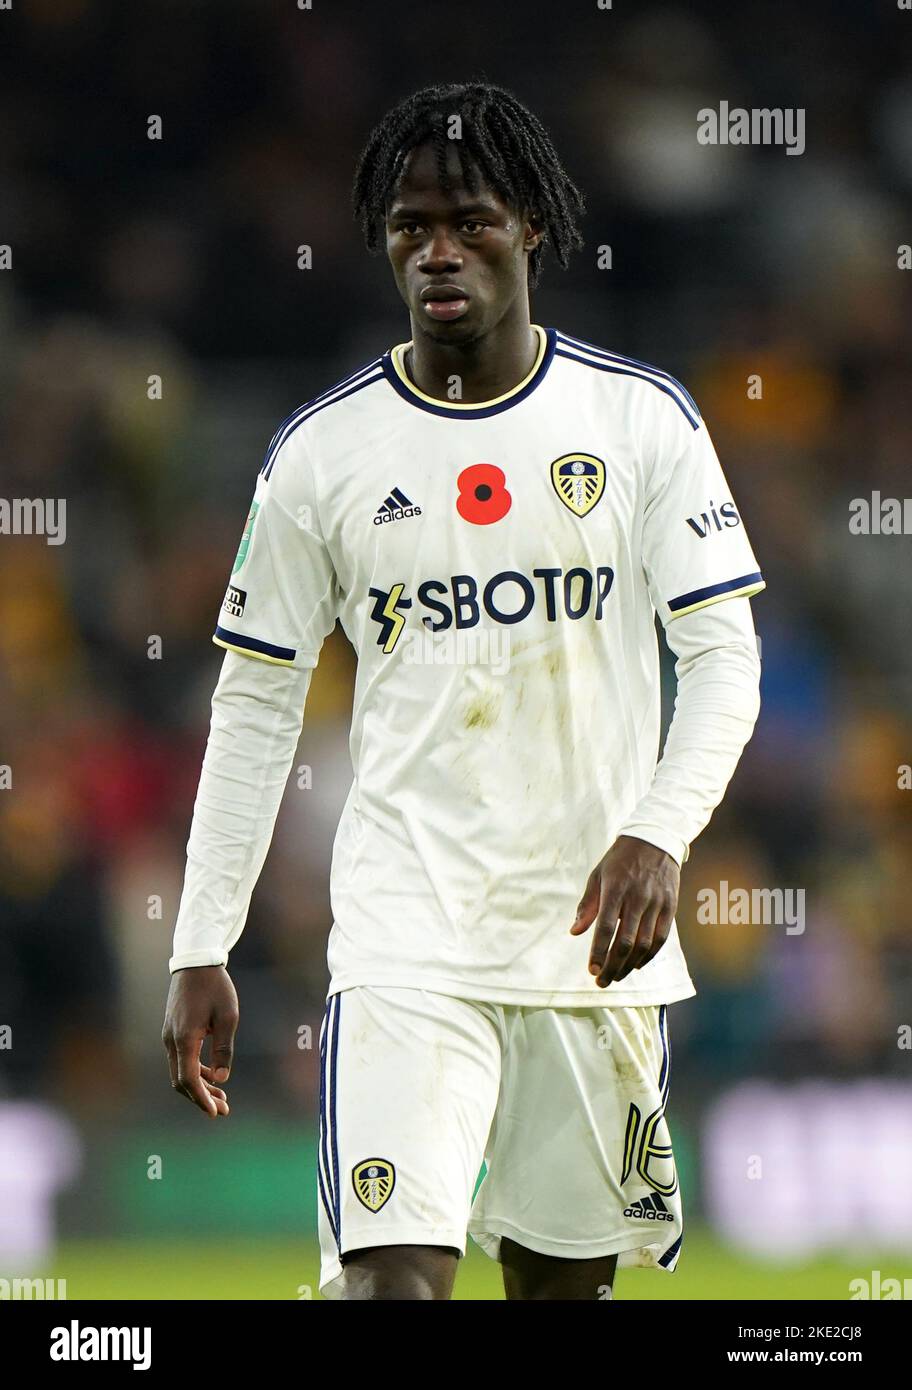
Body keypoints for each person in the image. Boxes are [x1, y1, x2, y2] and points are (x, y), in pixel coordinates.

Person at [162, 81, 765, 1301]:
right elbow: (254, 707)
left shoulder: (640, 420)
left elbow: (723, 660)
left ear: (531, 225)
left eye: (472, 221)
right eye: (410, 226)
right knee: (397, 1290)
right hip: (403, 941)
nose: (439, 250)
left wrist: (658, 830)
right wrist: (200, 939)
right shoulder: (322, 456)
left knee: (561, 1293)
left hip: (587, 950)